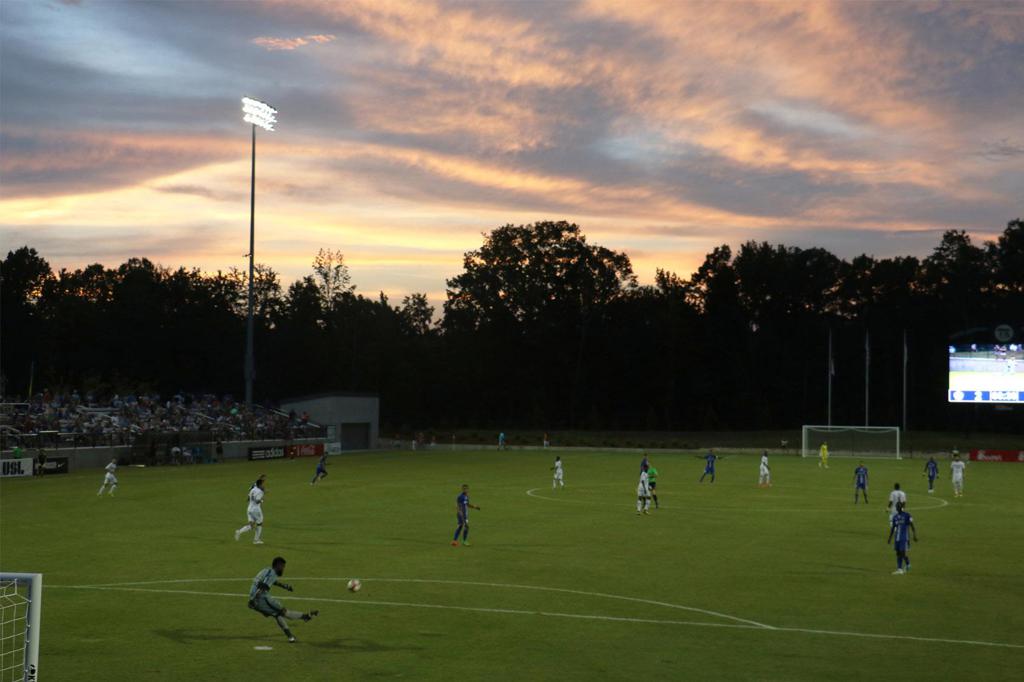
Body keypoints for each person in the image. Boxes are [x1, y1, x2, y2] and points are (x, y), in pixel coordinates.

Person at [248, 557, 318, 642]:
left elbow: (270, 581)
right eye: (283, 566)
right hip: (260, 598)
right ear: (278, 565)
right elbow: (262, 586)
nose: (283, 569)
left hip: (257, 598)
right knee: (283, 612)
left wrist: (284, 586)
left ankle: (291, 636)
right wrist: (253, 600)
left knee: (277, 614)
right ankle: (305, 617)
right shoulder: (272, 573)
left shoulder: (267, 570)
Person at [886, 501, 918, 575]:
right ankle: (899, 569)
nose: (898, 508)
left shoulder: (907, 515)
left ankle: (908, 564)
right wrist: (890, 538)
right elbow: (893, 528)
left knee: (902, 552)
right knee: (898, 553)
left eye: (899, 506)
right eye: (897, 507)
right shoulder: (895, 517)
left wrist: (914, 535)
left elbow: (912, 525)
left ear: (901, 507)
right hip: (897, 538)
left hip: (904, 537)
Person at [236, 477, 266, 544]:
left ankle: (239, 532)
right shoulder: (260, 492)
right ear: (260, 485)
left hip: (249, 509)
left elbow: (248, 498)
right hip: (256, 510)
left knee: (251, 526)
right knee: (259, 524)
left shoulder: (253, 489)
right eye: (262, 484)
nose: (263, 485)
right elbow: (257, 501)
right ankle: (256, 540)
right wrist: (262, 500)